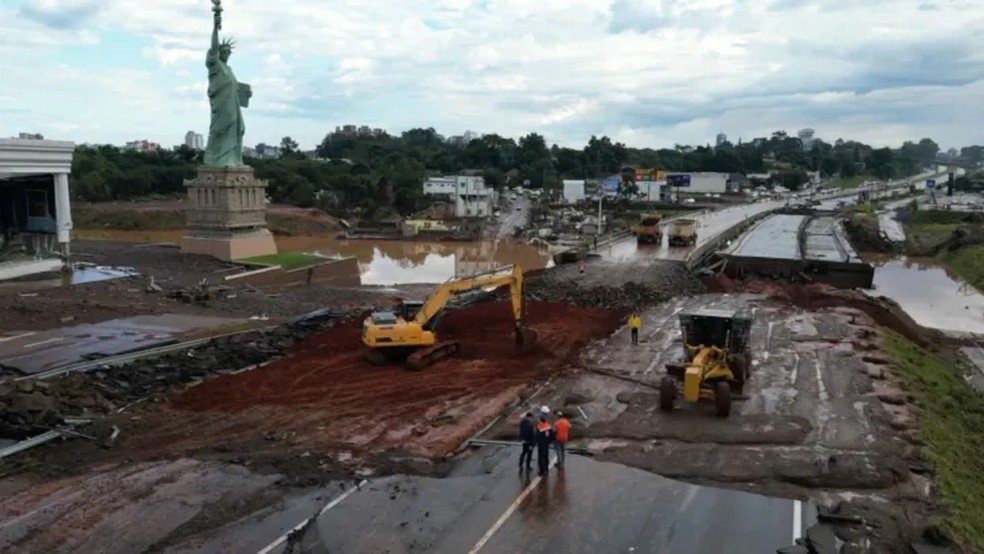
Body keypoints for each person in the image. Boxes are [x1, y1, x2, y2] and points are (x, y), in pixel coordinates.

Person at [534, 412, 554, 476]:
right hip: (546, 444)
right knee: (546, 457)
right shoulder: (548, 426)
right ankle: (546, 469)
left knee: (541, 457)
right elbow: (552, 436)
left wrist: (535, 443)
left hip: (541, 444)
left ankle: (542, 471)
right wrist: (549, 441)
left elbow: (536, 436)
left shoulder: (539, 426)